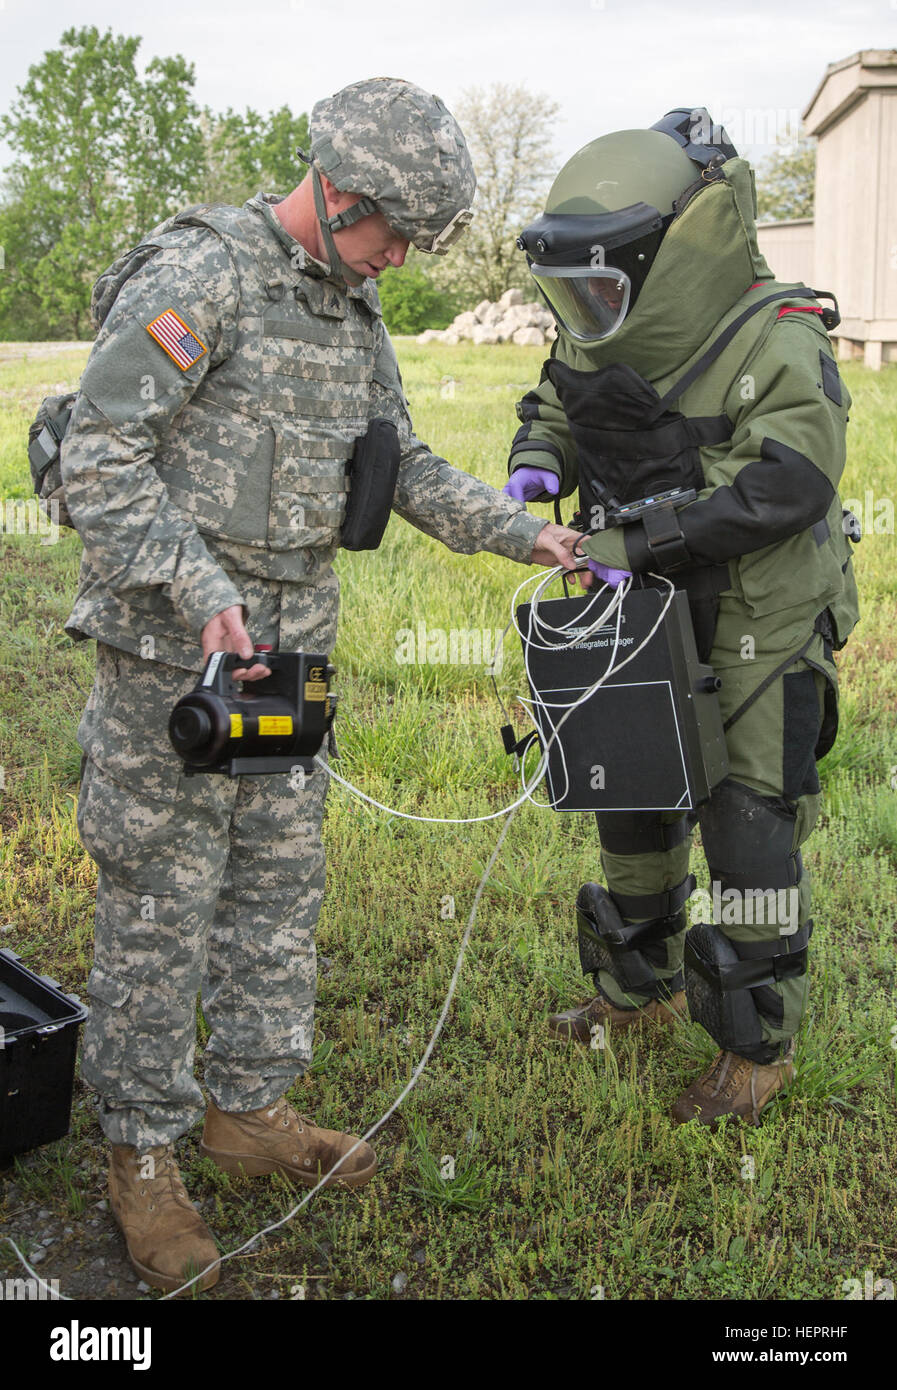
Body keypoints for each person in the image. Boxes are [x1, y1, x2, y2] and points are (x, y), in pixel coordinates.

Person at [61, 76, 583, 1293]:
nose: (402, 258)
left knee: (275, 886)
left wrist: (528, 537)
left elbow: (402, 463)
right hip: (176, 653)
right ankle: (143, 1152)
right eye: (395, 231)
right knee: (161, 903)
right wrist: (200, 586)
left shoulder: (354, 308)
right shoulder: (204, 274)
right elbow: (100, 451)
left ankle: (249, 1110)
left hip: (289, 649)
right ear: (339, 190)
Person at [504, 109, 859, 1128]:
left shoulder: (775, 333)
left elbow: (787, 483)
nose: (586, 307)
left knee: (748, 823)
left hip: (759, 618)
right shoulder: (596, 319)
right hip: (632, 607)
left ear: (674, 251)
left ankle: (756, 1049)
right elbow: (559, 400)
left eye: (600, 284)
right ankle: (637, 989)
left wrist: (644, 540)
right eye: (574, 288)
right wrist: (540, 461)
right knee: (629, 793)